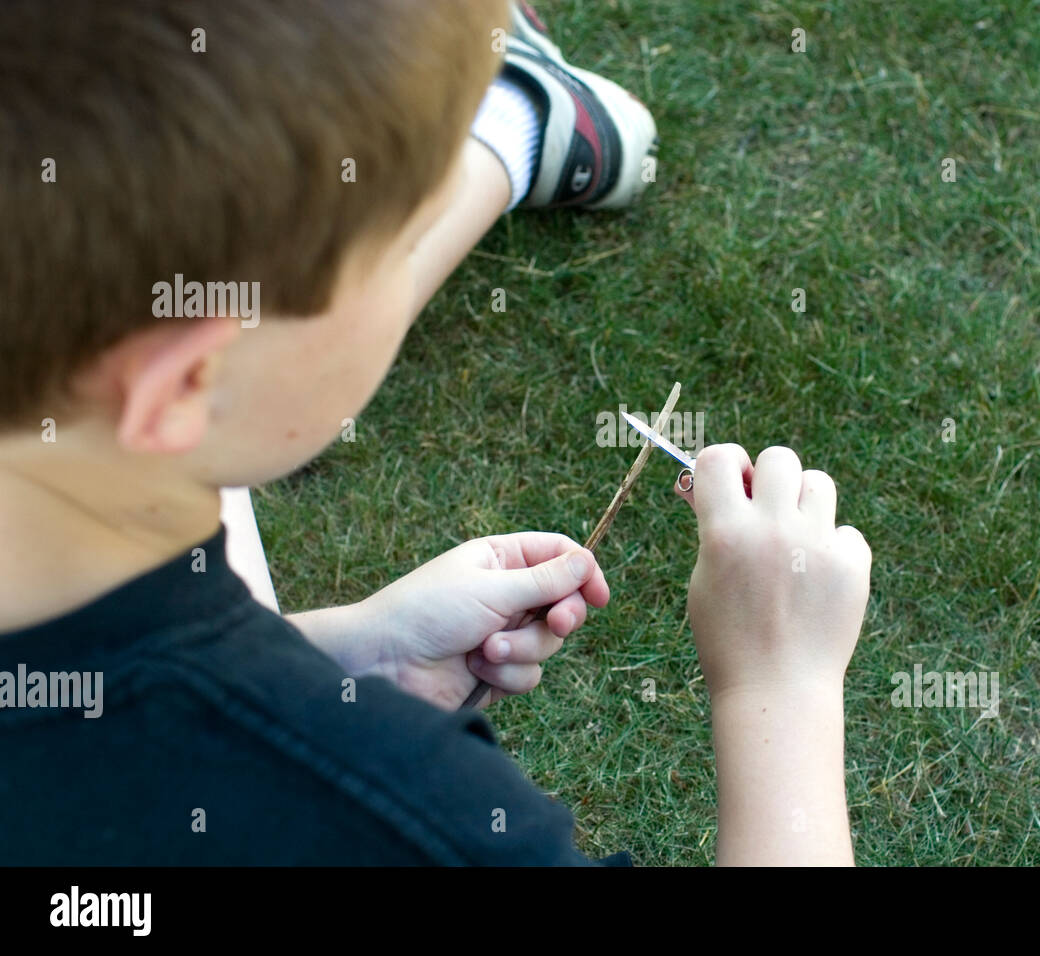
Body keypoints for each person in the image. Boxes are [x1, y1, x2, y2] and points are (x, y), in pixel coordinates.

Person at [0, 0, 871, 865]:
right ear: (187, 380)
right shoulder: (412, 821)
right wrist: (780, 686)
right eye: (408, 235)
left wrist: (343, 660)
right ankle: (519, 116)